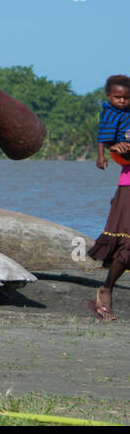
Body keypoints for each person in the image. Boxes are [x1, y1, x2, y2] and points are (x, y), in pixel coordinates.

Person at [89, 74, 130, 319]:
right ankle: (106, 289)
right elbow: (114, 144)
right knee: (128, 242)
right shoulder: (118, 117)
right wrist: (115, 147)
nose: (123, 101)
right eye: (118, 97)